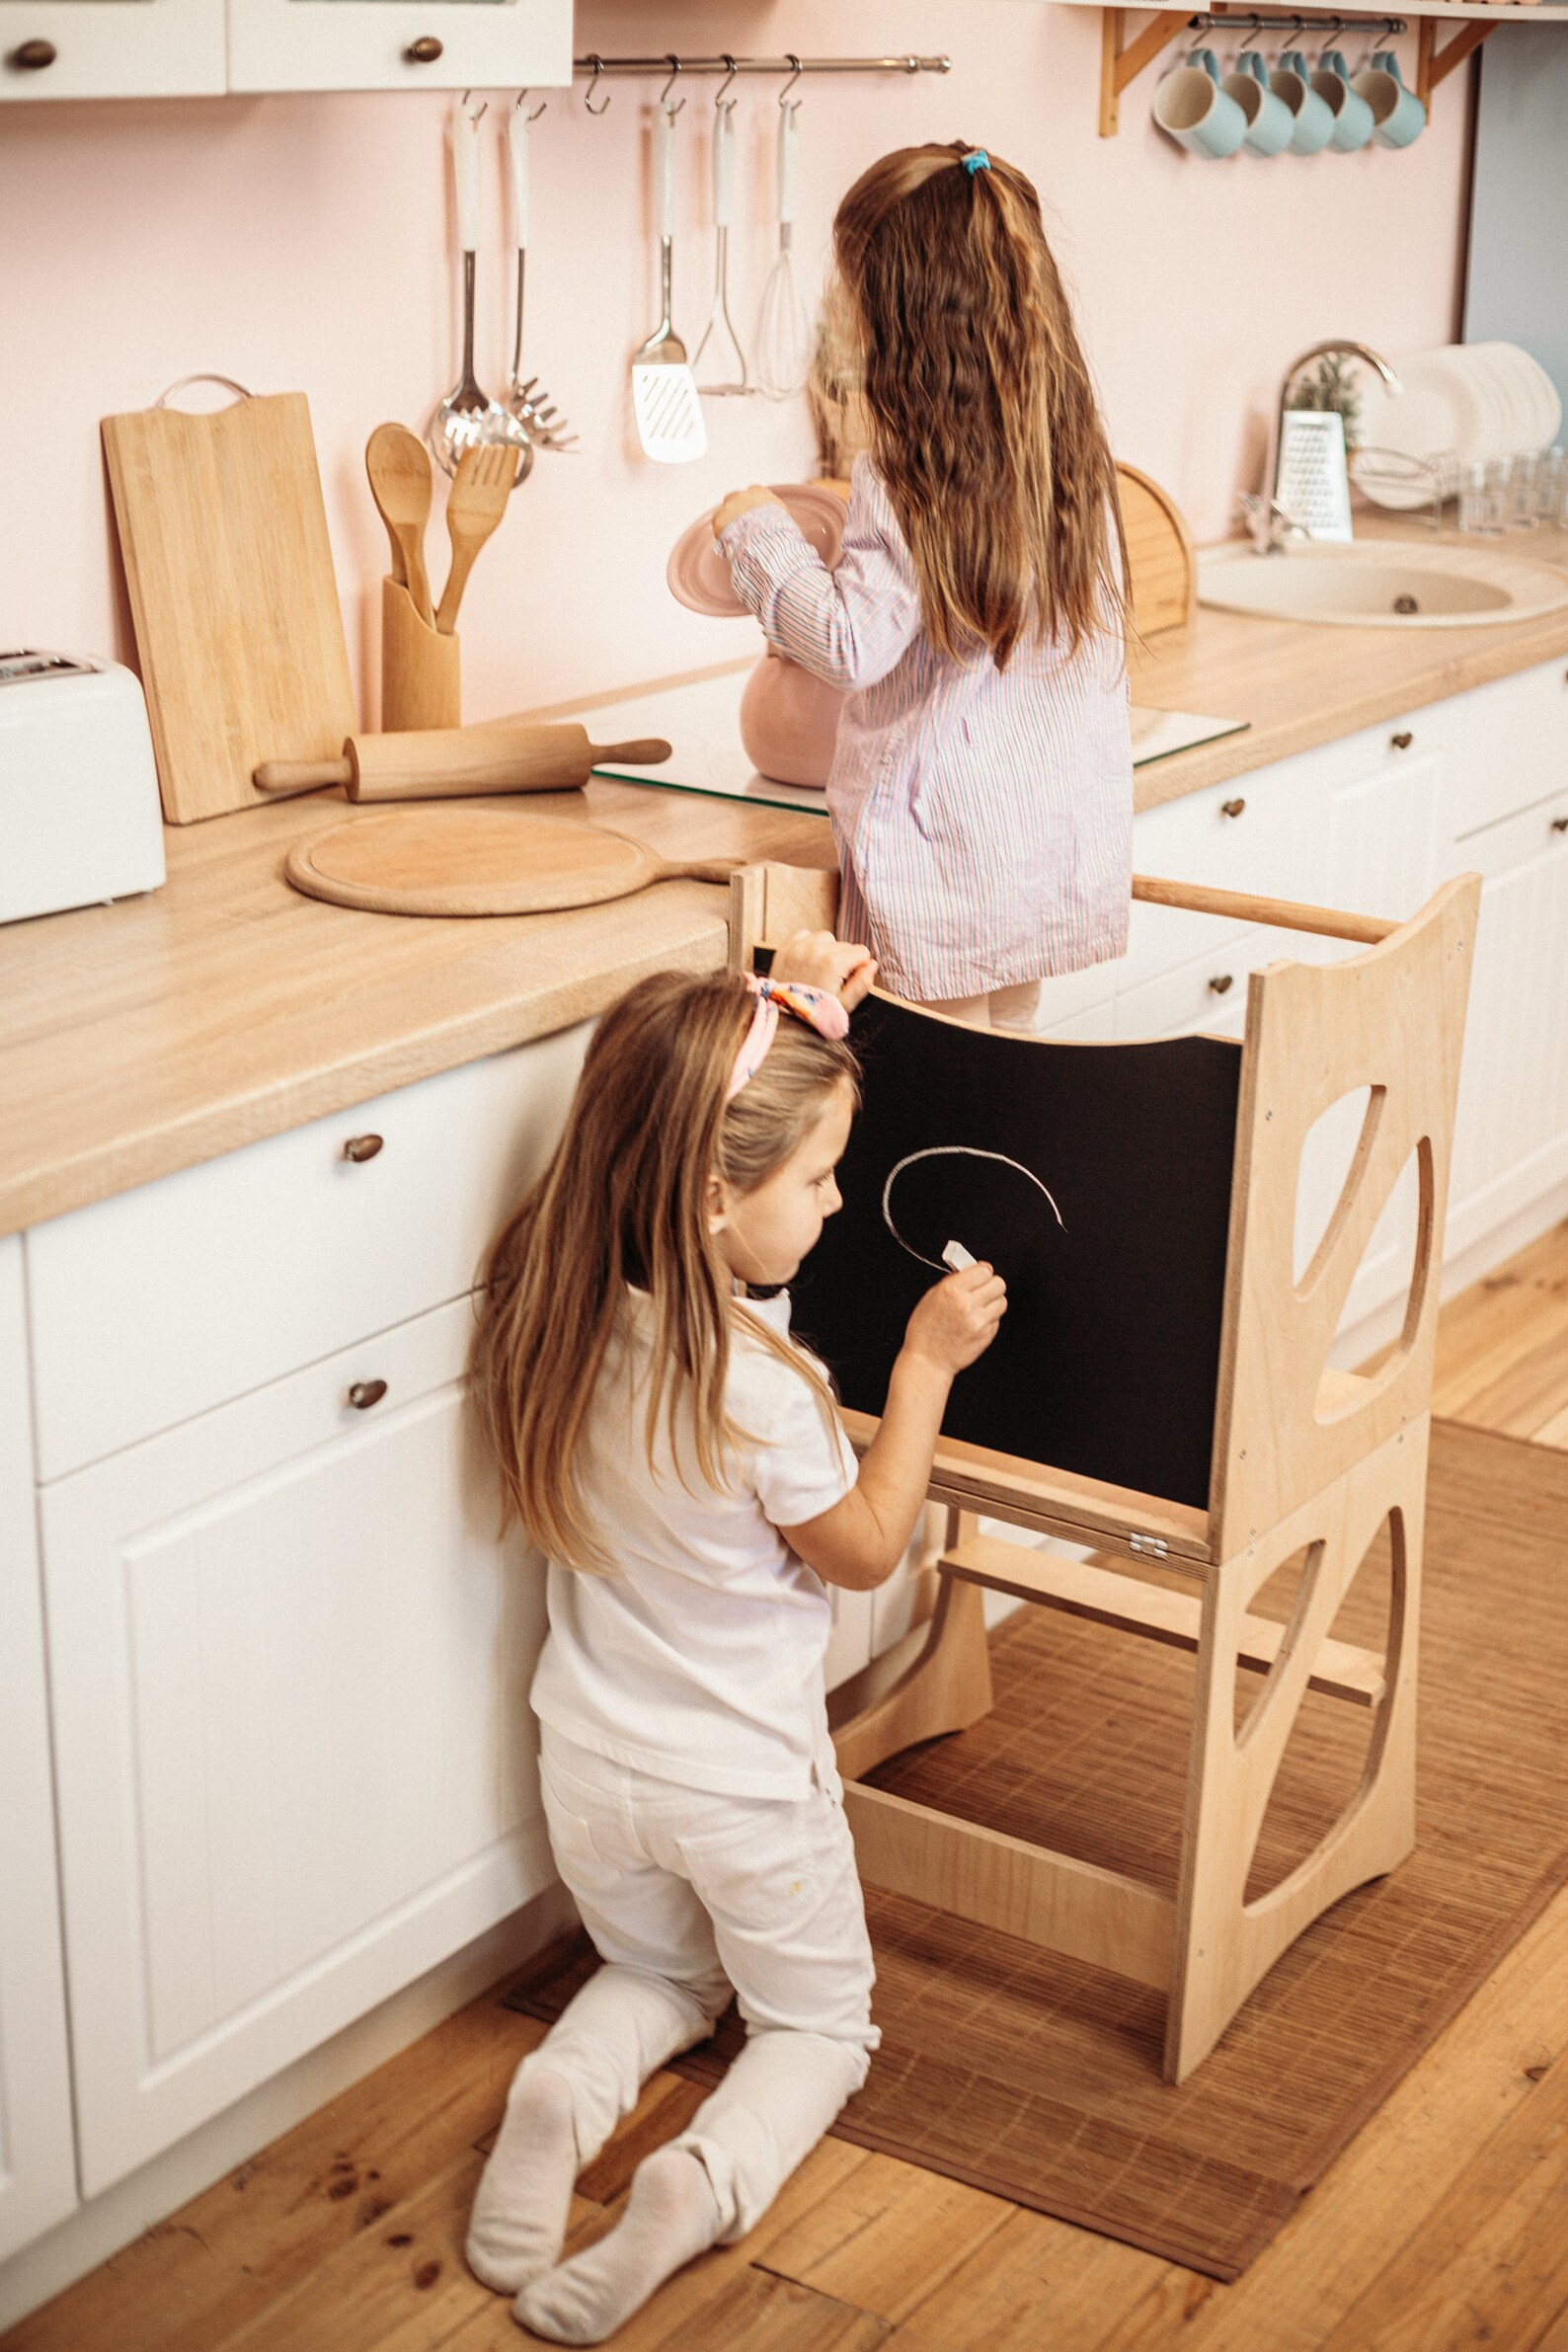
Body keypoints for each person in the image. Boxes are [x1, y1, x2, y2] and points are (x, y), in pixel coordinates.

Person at [463, 949, 1005, 2345]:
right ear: (712, 1197)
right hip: (745, 1790)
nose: (837, 1201)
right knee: (815, 2030)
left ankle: (558, 2096)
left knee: (659, 1976)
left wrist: (776, 1000)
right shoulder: (766, 1393)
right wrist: (925, 1366)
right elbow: (872, 1544)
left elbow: (665, 1089)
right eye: (820, 1178)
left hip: (590, 1764)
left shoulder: (555, 1306)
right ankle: (695, 2181)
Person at [714, 141, 1133, 1032]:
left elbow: (846, 645)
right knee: (1007, 1078)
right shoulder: (1069, 459)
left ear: (898, 313)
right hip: (1040, 858)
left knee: (941, 1100)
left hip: (941, 865)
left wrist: (756, 530)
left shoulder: (905, 478)